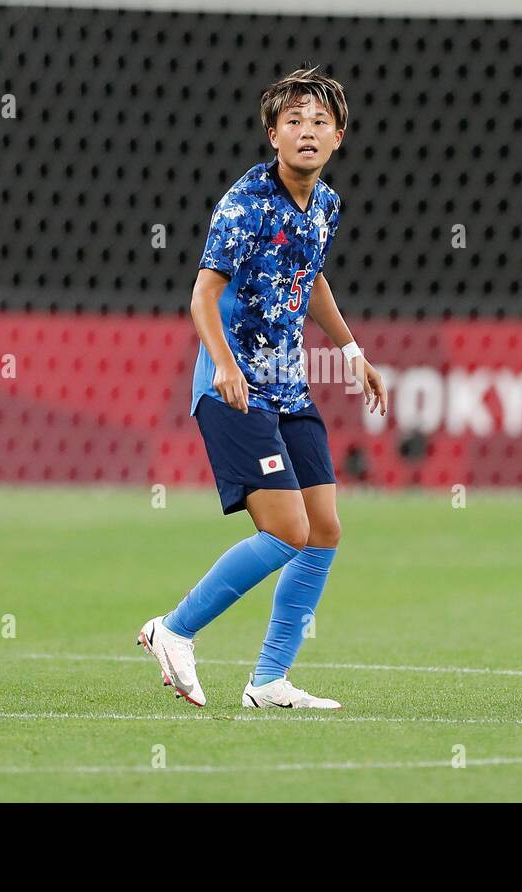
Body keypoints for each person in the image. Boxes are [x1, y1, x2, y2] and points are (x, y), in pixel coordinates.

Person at [138, 67, 387, 709]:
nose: (307, 131)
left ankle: (269, 680)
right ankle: (174, 629)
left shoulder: (325, 205)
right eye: (294, 121)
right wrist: (222, 364)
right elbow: (203, 293)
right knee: (287, 531)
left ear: (339, 137)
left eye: (319, 122)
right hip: (236, 390)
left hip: (289, 387)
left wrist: (352, 350)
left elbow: (312, 278)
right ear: (272, 134)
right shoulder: (245, 203)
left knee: (324, 528)